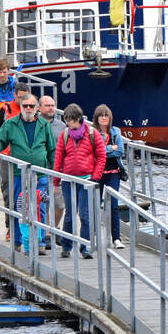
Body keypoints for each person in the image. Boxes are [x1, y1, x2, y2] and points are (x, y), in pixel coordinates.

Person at [0, 90, 56, 252]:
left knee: (40, 207)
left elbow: (52, 149)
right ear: (21, 107)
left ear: (37, 108)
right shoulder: (11, 124)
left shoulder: (44, 125)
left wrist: (55, 174)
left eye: (31, 106)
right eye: (25, 105)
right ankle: (18, 240)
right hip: (19, 174)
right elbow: (0, 139)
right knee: (18, 207)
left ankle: (40, 242)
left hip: (40, 173)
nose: (28, 108)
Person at [53, 103, 106, 258]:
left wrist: (95, 177)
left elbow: (102, 156)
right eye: (66, 120)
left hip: (86, 180)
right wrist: (56, 182)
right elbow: (58, 158)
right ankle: (66, 246)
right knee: (70, 213)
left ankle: (86, 247)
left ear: (77, 119)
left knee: (85, 214)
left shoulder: (92, 133)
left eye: (70, 120)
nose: (68, 124)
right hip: (69, 179)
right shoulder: (65, 135)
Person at [92, 104, 127, 249]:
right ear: (97, 118)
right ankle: (92, 235)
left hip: (114, 174)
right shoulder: (92, 133)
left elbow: (120, 152)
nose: (104, 118)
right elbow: (94, 152)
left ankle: (116, 238)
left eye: (106, 115)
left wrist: (104, 151)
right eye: (101, 115)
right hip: (97, 173)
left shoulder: (116, 131)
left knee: (113, 205)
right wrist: (110, 148)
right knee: (94, 205)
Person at [39, 94, 65, 234]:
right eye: (47, 105)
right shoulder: (35, 123)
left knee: (60, 205)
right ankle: (46, 232)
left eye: (52, 105)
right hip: (41, 171)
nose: (51, 108)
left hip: (57, 171)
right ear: (40, 107)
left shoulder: (61, 126)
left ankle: (52, 228)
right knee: (43, 204)